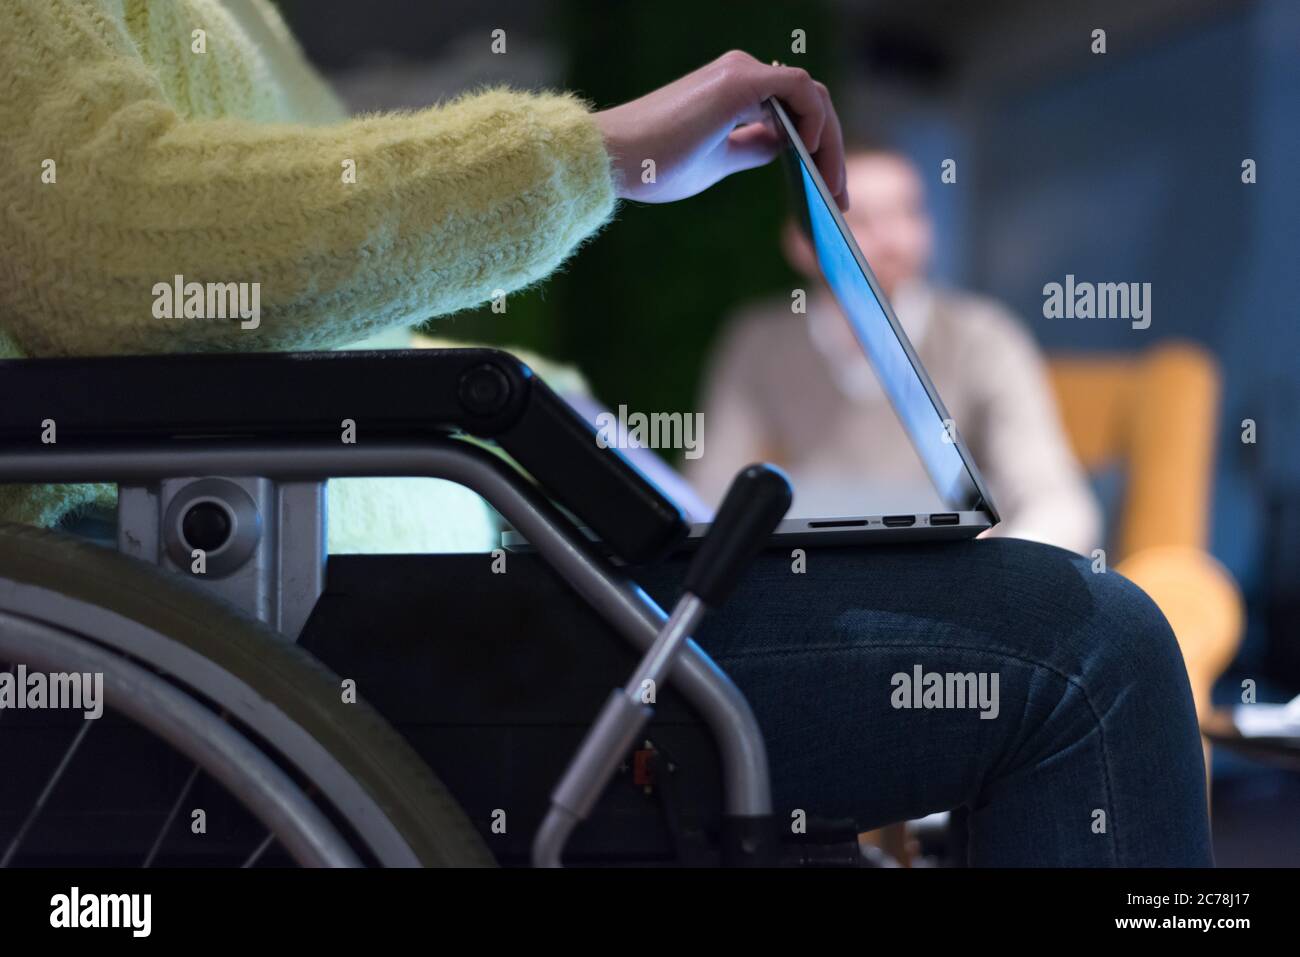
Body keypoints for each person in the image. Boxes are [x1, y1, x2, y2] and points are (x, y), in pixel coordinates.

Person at [0, 0, 1211, 865]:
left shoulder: (240, 20)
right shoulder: (757, 343)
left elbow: (326, 335)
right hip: (255, 618)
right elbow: (110, 250)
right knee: (1087, 654)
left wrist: (570, 420)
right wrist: (601, 154)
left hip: (420, 565)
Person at [688, 148, 1102, 555]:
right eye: (861, 219)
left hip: (956, 574)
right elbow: (710, 491)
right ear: (801, 241)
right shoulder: (760, 342)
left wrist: (1001, 574)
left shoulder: (981, 336)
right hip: (817, 573)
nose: (892, 239)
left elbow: (1057, 500)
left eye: (909, 213)